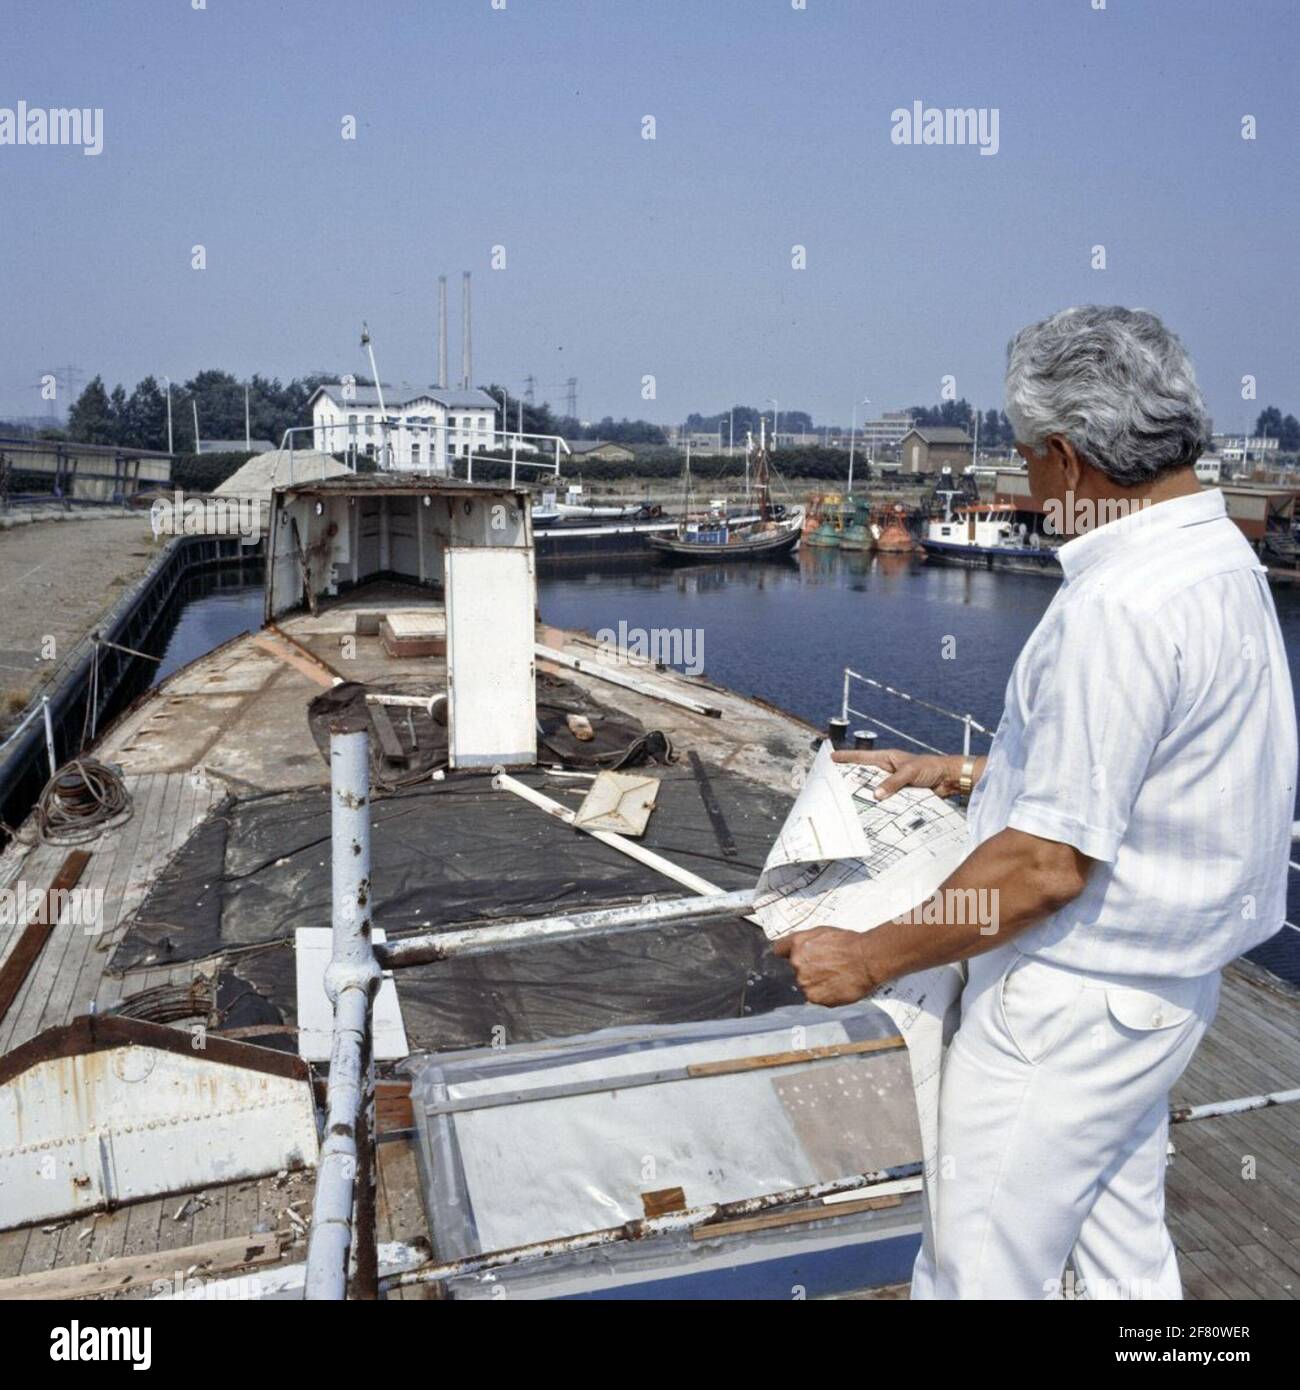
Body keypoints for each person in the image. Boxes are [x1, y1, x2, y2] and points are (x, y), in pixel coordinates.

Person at [775, 306, 1297, 1299]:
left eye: (1023, 459)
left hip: (1068, 1009)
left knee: (976, 1270)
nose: (1024, 485)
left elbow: (1044, 867)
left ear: (1066, 456)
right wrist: (967, 774)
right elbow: (1160, 775)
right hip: (1163, 999)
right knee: (1122, 1257)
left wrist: (868, 955)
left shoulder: (1117, 604)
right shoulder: (1220, 560)